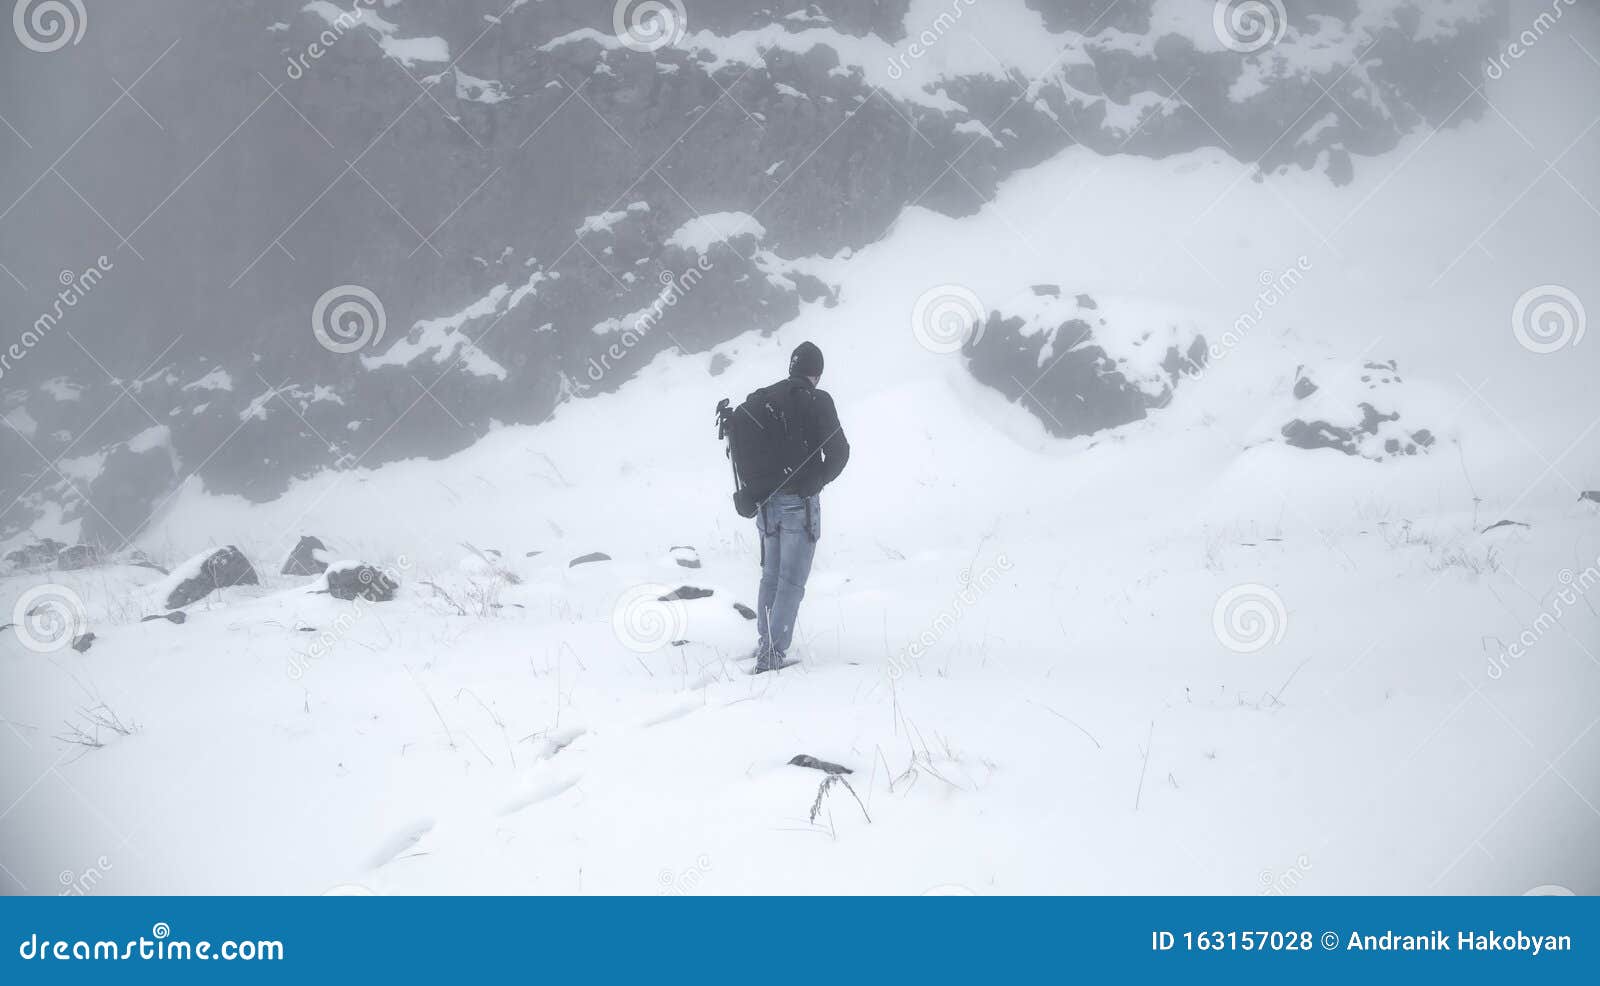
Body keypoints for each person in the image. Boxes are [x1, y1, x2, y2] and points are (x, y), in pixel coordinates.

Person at [753, 341, 849, 672]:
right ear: (816, 374)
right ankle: (772, 655)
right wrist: (815, 482)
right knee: (791, 581)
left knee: (770, 576)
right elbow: (839, 453)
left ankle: (765, 641)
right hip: (799, 504)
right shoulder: (817, 400)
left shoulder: (766, 398)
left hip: (766, 503)